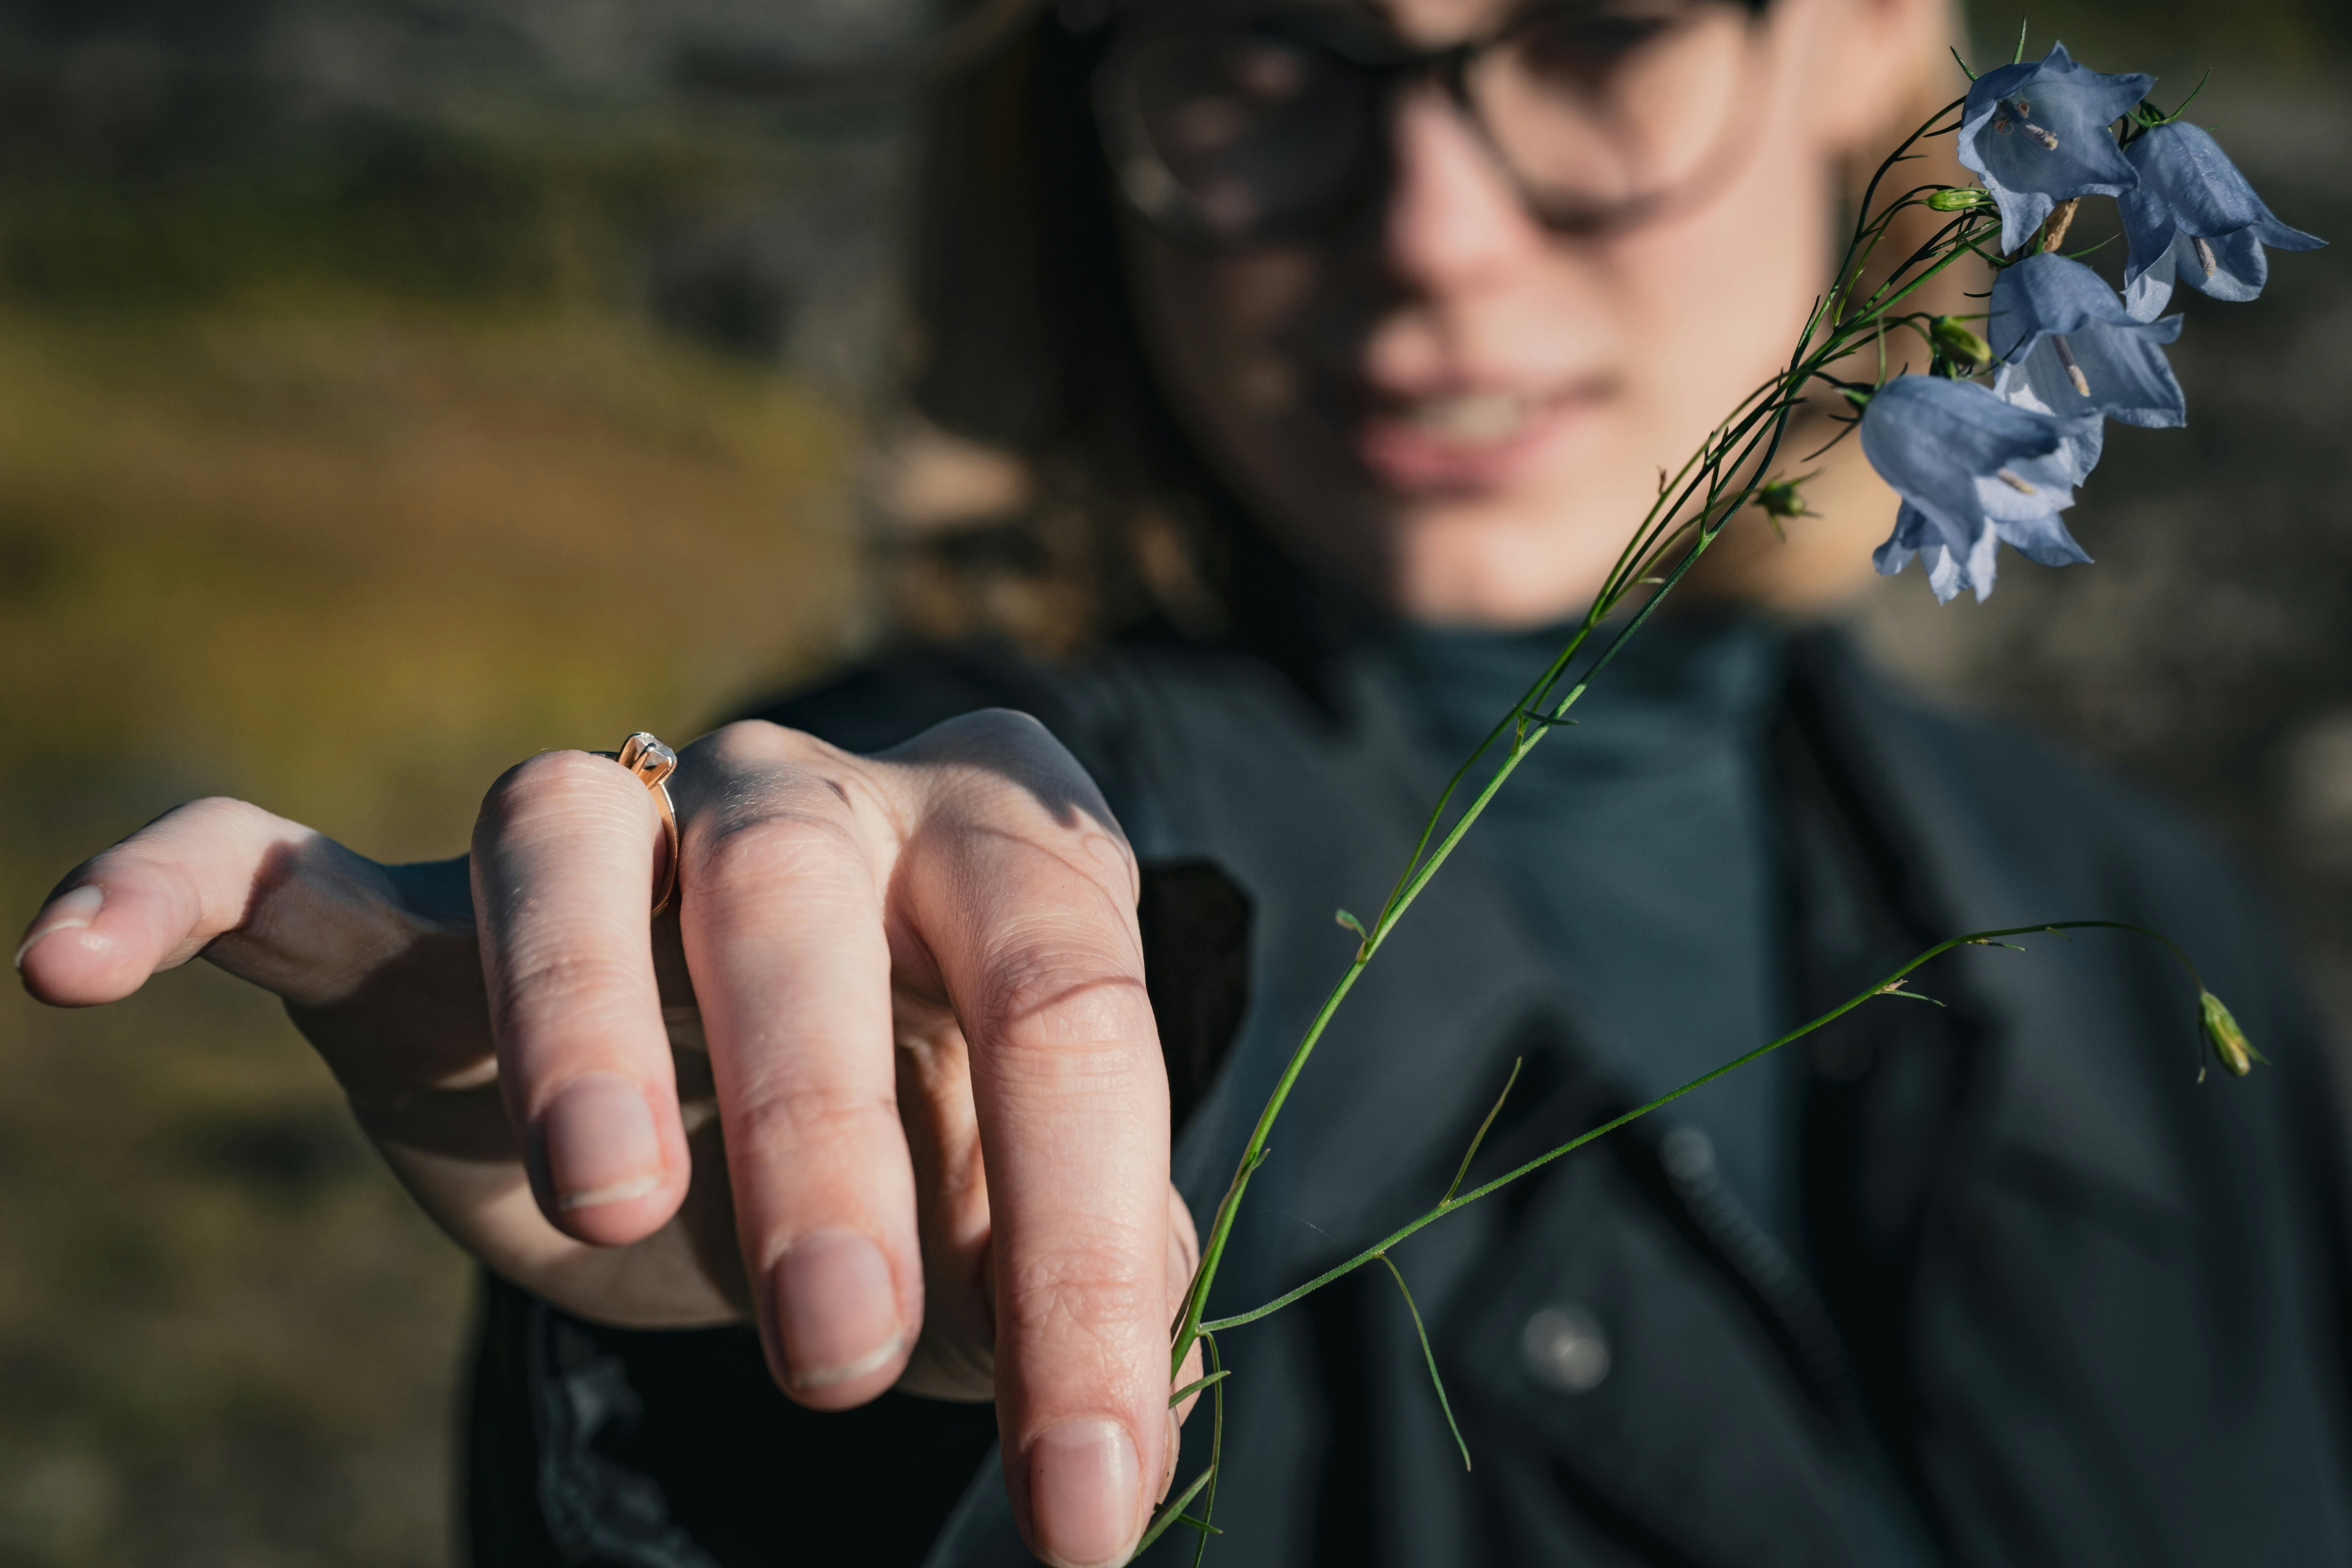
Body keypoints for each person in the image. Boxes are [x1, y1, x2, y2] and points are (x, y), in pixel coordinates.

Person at [17, 0, 2352, 1564]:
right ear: (1087, 129)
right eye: (1263, 47)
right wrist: (745, 1353)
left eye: (1602, 29)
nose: (1432, 233)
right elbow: (1034, 957)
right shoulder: (1028, 827)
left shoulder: (2138, 917)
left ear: (1855, 39)